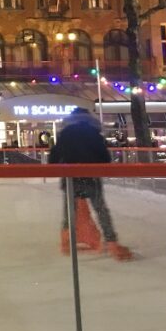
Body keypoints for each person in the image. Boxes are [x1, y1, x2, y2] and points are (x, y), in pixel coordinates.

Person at [48, 108, 132, 261]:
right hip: (91, 177)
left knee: (69, 211)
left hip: (71, 178)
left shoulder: (65, 134)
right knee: (100, 209)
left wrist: (59, 165)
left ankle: (67, 242)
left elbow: (54, 156)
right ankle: (111, 241)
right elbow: (105, 157)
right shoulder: (94, 134)